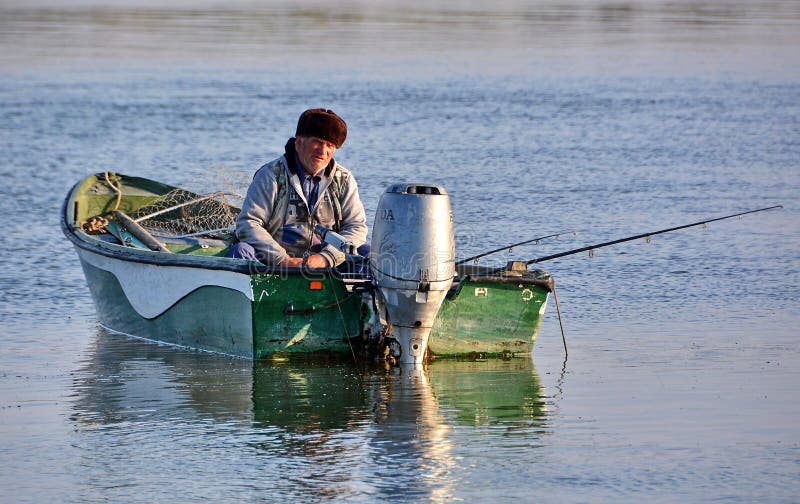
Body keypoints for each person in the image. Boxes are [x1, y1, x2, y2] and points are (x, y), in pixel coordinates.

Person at [230, 108, 368, 268]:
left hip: (327, 264)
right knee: (241, 250)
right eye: (317, 142)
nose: (323, 151)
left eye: (330, 145)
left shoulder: (344, 179)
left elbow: (356, 227)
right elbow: (248, 223)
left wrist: (325, 258)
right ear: (299, 142)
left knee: (369, 253)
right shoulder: (270, 175)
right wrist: (282, 259)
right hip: (274, 263)